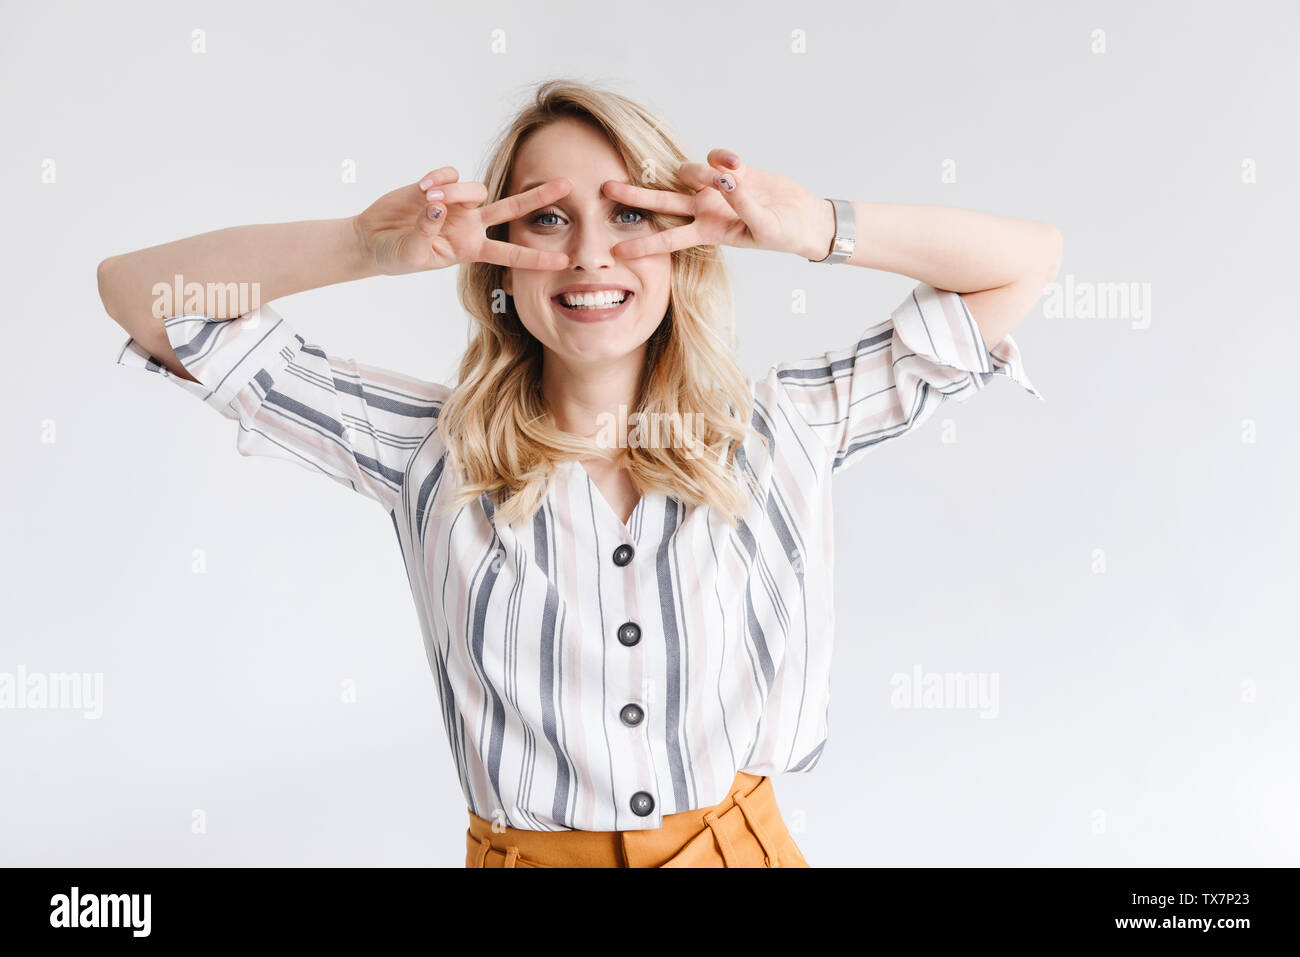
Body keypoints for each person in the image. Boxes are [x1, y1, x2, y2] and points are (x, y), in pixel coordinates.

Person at [98, 78, 1059, 868]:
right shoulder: (427, 449)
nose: (592, 253)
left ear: (684, 249)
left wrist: (817, 226)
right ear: (501, 266)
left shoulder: (783, 429)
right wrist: (364, 246)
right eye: (549, 218)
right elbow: (142, 297)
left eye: (632, 213)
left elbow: (1025, 263)